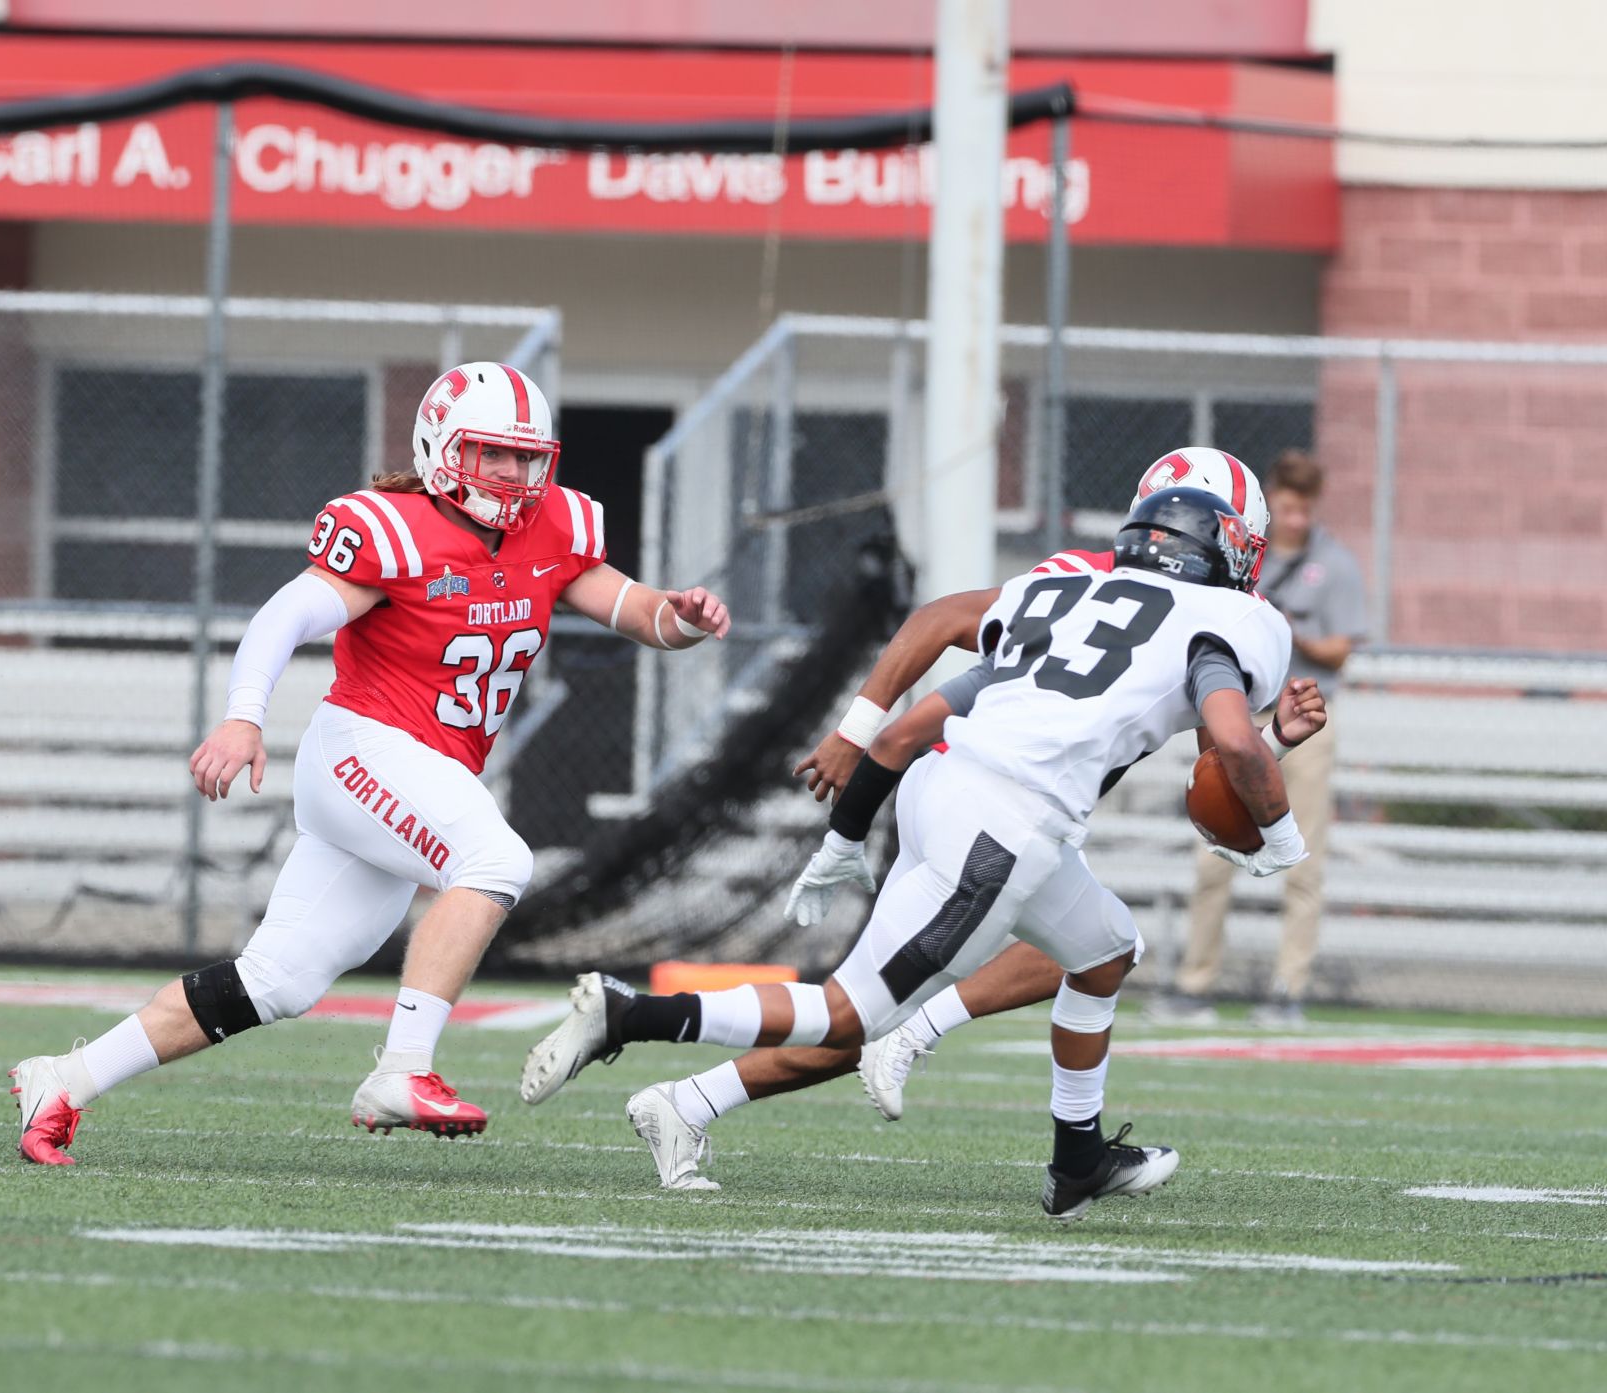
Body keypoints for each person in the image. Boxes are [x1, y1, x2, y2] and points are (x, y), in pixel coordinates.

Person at [523, 472, 1322, 1220]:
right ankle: (630, 1015)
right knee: (847, 1015)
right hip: (1007, 824)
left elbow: (916, 719)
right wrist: (1282, 834)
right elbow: (1233, 754)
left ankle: (1078, 1158)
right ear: (1226, 545)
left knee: (1105, 947)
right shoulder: (1231, 621)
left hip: (949, 787)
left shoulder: (1066, 585)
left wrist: (844, 832)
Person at [7, 362, 730, 1164]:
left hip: (421, 772)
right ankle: (402, 1067)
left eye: (529, 458)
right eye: (495, 454)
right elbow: (285, 615)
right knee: (495, 858)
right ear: (445, 448)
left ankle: (64, 1077)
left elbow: (642, 614)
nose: (517, 475)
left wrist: (685, 616)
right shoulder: (394, 527)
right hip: (364, 748)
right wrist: (243, 717)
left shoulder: (554, 525)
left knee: (277, 980)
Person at [1152, 449, 1367, 1030]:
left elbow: (1342, 650)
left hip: (1309, 718)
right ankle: (1195, 985)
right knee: (1212, 852)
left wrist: (1289, 628)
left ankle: (1286, 989)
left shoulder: (1336, 565)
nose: (1294, 518)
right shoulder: (1245, 549)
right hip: (1239, 710)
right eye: (1287, 506)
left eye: (1304, 508)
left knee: (1303, 858)